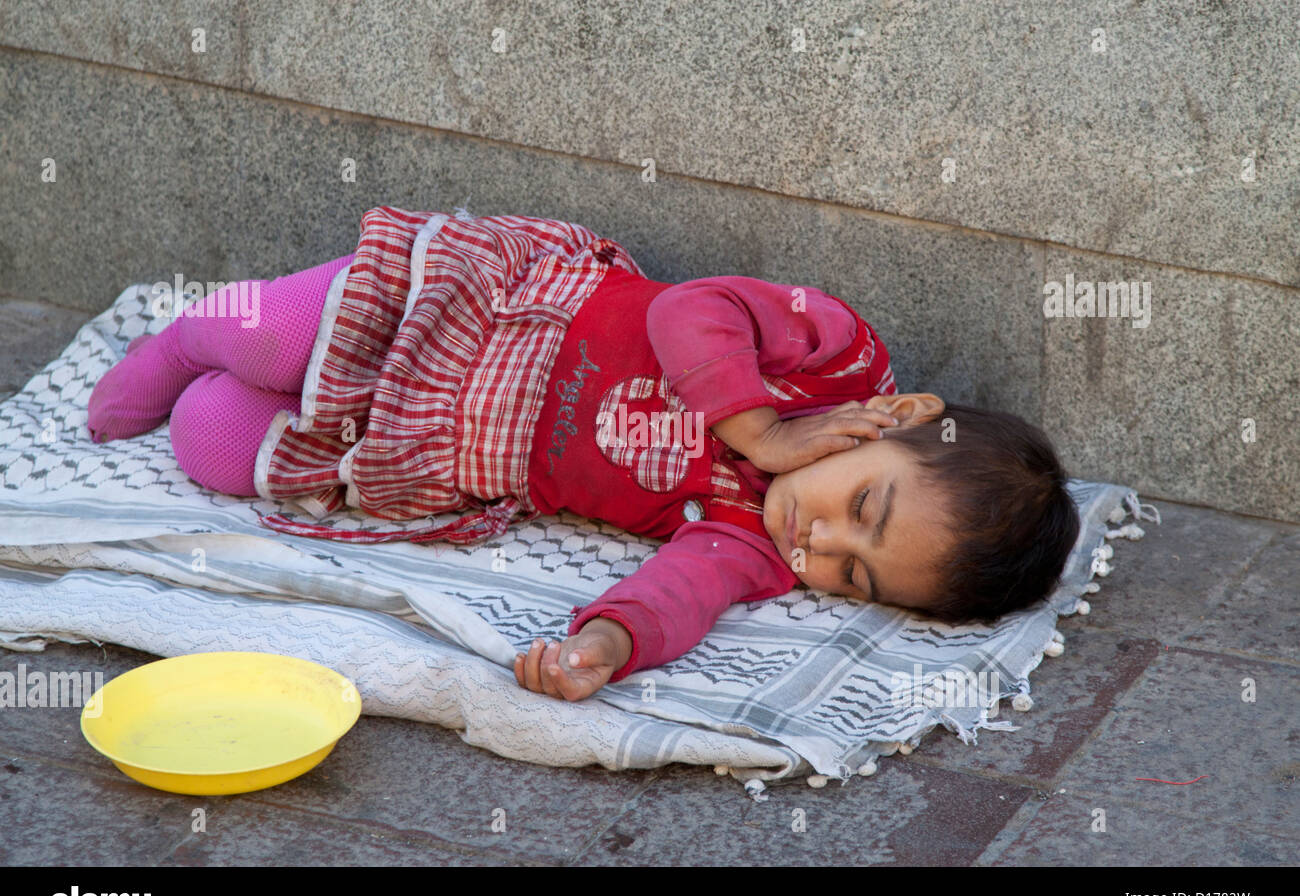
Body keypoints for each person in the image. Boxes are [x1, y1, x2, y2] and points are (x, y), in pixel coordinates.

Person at [87, 206, 1078, 702]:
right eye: (861, 506)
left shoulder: (757, 542)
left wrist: (606, 643)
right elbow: (698, 306)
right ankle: (178, 339)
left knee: (211, 442)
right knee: (260, 336)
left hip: (439, 434)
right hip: (485, 317)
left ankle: (206, 388)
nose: (817, 540)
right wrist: (758, 429)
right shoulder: (833, 359)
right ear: (899, 415)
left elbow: (684, 588)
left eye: (853, 576)